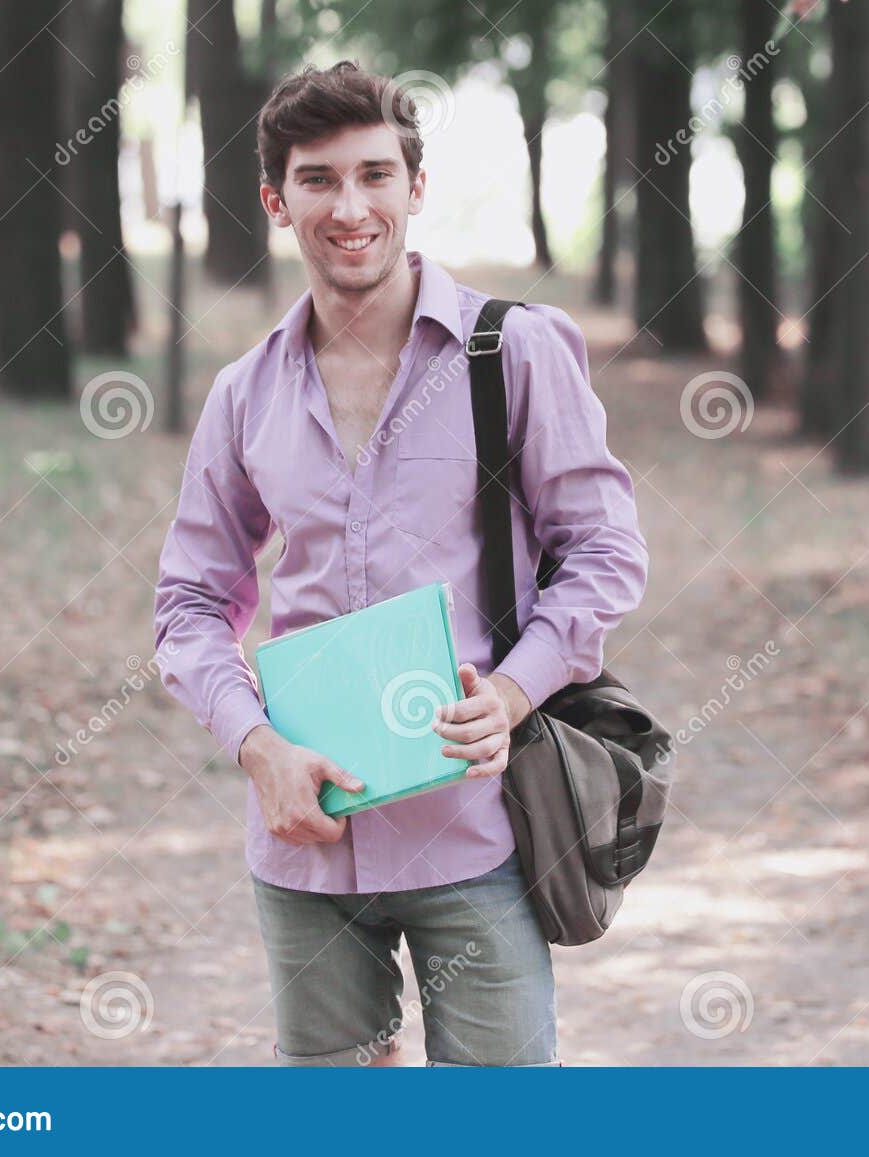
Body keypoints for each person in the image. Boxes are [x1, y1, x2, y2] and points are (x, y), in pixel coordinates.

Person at [152, 61, 649, 1067]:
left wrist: (513, 692)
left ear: (413, 190)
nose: (350, 206)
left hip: (478, 830)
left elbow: (603, 548)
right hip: (306, 842)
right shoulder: (246, 395)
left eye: (376, 174)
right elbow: (189, 603)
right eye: (319, 179)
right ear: (275, 200)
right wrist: (257, 747)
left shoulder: (511, 351)